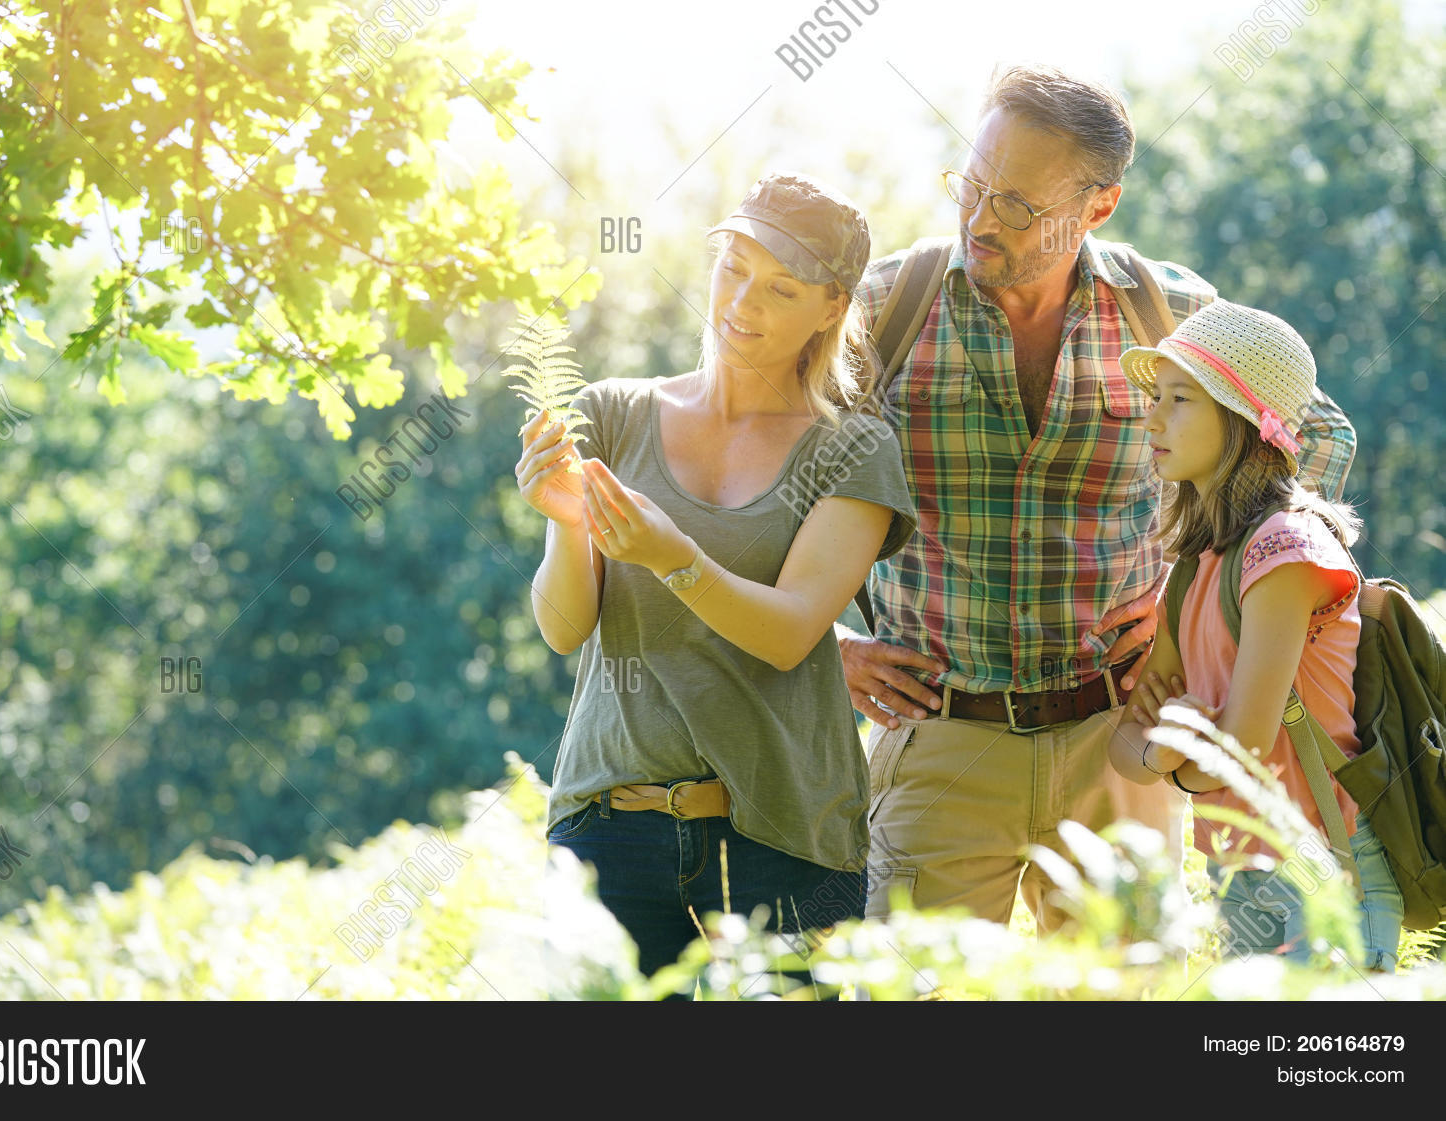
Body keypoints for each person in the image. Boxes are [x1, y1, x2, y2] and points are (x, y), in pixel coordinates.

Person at [842, 64, 1357, 928]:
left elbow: (1320, 438)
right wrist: (831, 645)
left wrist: (1196, 604)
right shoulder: (886, 309)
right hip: (939, 738)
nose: (978, 218)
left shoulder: (1169, 312)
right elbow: (757, 472)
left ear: (1098, 207)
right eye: (971, 185)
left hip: (1119, 738)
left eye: (1016, 204)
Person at [516, 172, 918, 977]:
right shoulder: (615, 413)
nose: (744, 302)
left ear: (832, 307)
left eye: (781, 287)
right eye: (733, 269)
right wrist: (567, 522)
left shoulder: (851, 449)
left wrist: (673, 556)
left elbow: (790, 631)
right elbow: (564, 628)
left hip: (783, 843)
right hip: (608, 832)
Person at [1106, 299, 1403, 970]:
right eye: (1156, 396)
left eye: (1179, 398)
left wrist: (1173, 737)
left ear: (1242, 420)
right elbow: (1125, 745)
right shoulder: (1197, 563)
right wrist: (1173, 744)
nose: (1151, 417)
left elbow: (1243, 745)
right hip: (1241, 870)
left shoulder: (1287, 549)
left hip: (1322, 863)